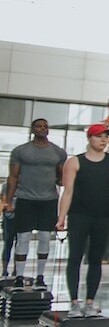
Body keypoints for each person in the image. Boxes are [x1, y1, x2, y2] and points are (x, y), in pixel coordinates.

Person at [54, 124, 109, 316]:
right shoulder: (74, 162)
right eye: (99, 136)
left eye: (106, 137)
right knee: (75, 257)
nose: (103, 140)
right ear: (89, 138)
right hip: (79, 215)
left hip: (102, 215)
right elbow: (67, 192)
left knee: (96, 259)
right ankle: (74, 301)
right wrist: (61, 217)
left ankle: (89, 301)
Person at [4, 118, 68, 285]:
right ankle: (19, 276)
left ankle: (40, 276)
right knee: (23, 238)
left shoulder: (58, 152)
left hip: (48, 200)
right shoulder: (21, 151)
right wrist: (8, 202)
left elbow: (62, 178)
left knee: (45, 237)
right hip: (26, 199)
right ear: (33, 129)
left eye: (45, 126)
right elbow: (13, 177)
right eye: (39, 126)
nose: (42, 128)